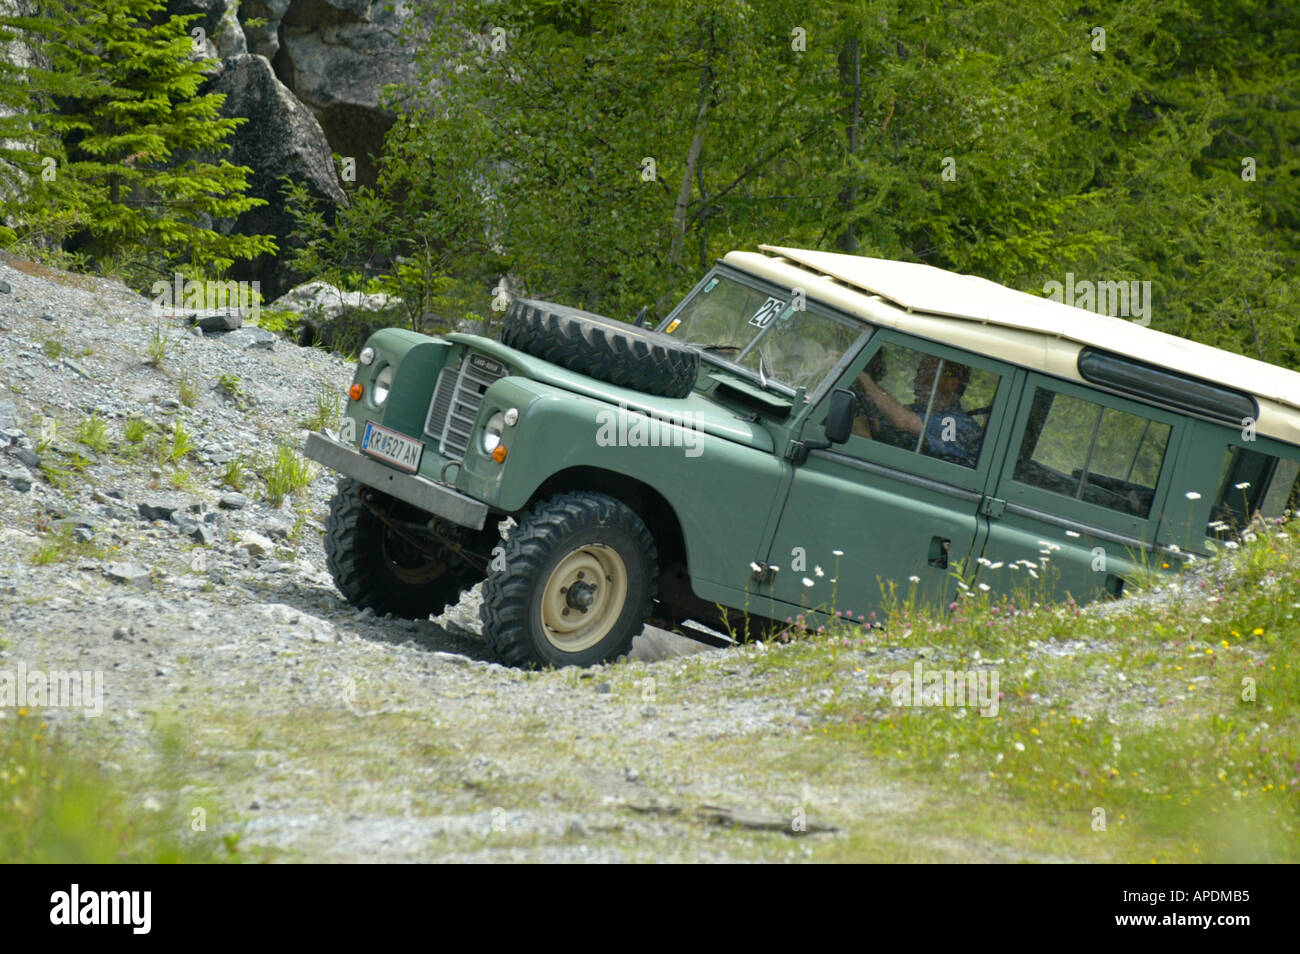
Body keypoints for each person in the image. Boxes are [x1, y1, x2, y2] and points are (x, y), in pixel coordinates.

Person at [853, 353, 983, 467]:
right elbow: (878, 423)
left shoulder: (961, 425)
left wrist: (862, 376)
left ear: (951, 384)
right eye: (918, 374)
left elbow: (903, 421)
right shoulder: (920, 410)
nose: (915, 382)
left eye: (925, 376)